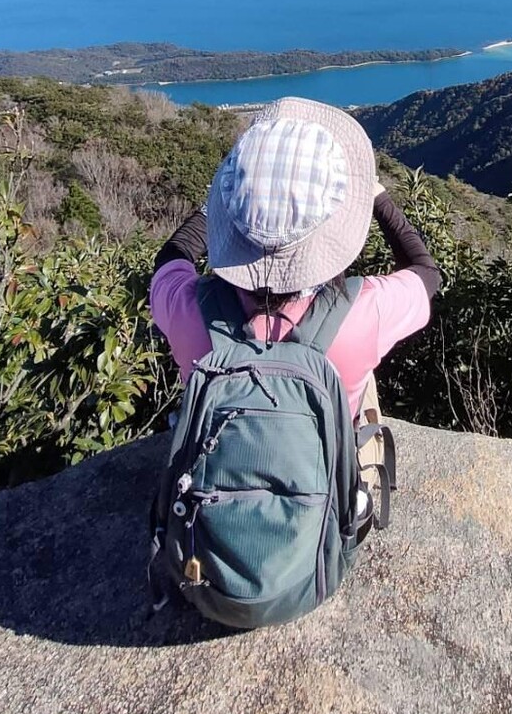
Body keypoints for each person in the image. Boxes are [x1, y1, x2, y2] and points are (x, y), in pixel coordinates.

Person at [149, 95, 440, 453]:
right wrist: (377, 197)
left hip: (212, 486)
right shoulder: (364, 312)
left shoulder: (188, 310)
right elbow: (425, 273)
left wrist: (223, 201)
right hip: (317, 483)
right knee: (366, 387)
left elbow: (169, 259)